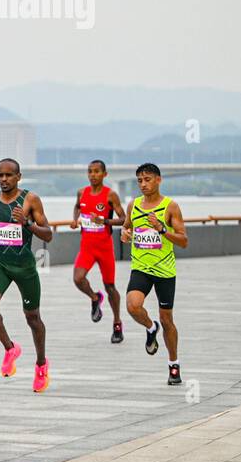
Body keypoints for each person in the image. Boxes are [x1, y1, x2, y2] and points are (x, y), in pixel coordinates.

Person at [0, 158, 53, 393]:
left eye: (9, 175)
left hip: (24, 267)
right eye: (0, 175)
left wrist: (27, 223)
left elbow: (48, 235)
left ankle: (41, 364)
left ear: (18, 177)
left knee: (33, 318)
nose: (4, 179)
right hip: (0, 264)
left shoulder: (30, 200)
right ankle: (10, 348)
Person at [121, 163, 188, 385]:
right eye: (140, 180)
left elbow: (183, 241)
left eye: (147, 179)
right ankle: (151, 328)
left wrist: (162, 229)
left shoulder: (171, 207)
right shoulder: (133, 205)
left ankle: (173, 364)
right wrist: (125, 233)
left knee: (167, 320)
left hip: (165, 271)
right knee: (132, 306)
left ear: (158, 180)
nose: (143, 184)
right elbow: (127, 226)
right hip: (140, 267)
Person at [69, 159, 126, 343]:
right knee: (78, 278)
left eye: (96, 171)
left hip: (104, 247)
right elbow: (78, 207)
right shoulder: (81, 192)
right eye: (90, 171)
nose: (93, 175)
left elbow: (124, 219)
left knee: (110, 286)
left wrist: (105, 222)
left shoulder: (111, 195)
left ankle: (117, 324)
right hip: (87, 247)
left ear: (104, 174)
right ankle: (95, 298)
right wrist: (75, 219)